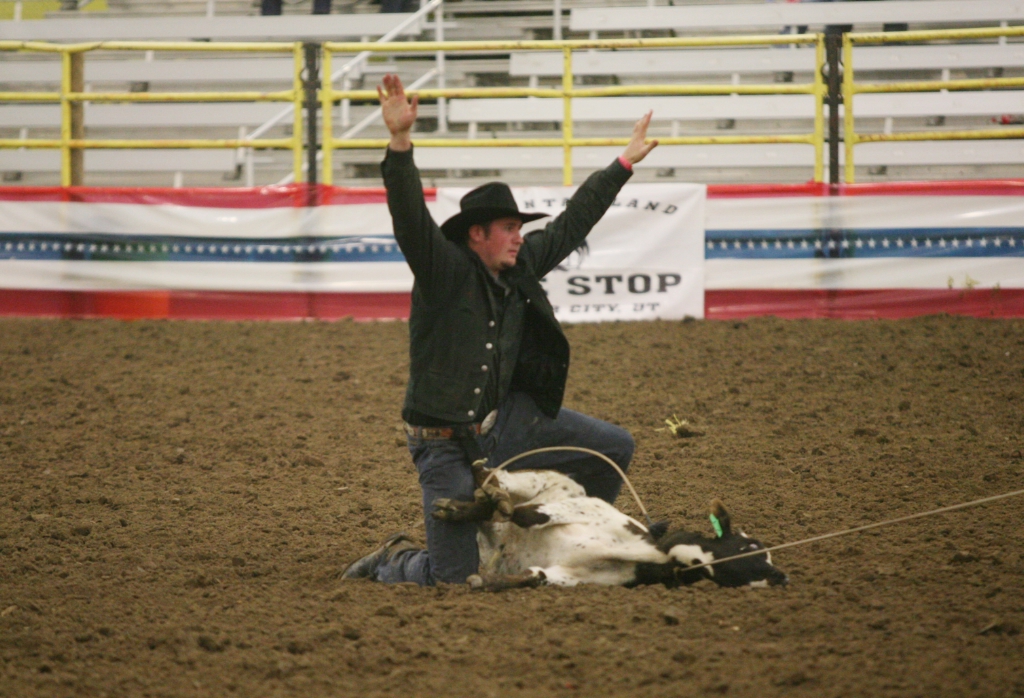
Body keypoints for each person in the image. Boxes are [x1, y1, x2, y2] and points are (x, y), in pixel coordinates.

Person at [342, 73, 659, 586]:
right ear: (477, 234)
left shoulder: (522, 264)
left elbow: (572, 222)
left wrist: (623, 164)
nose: (519, 237)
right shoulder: (442, 269)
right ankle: (394, 561)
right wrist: (400, 143)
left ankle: (555, 540)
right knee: (452, 578)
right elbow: (408, 216)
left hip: (505, 421)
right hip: (442, 441)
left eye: (519, 228)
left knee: (613, 449)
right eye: (510, 228)